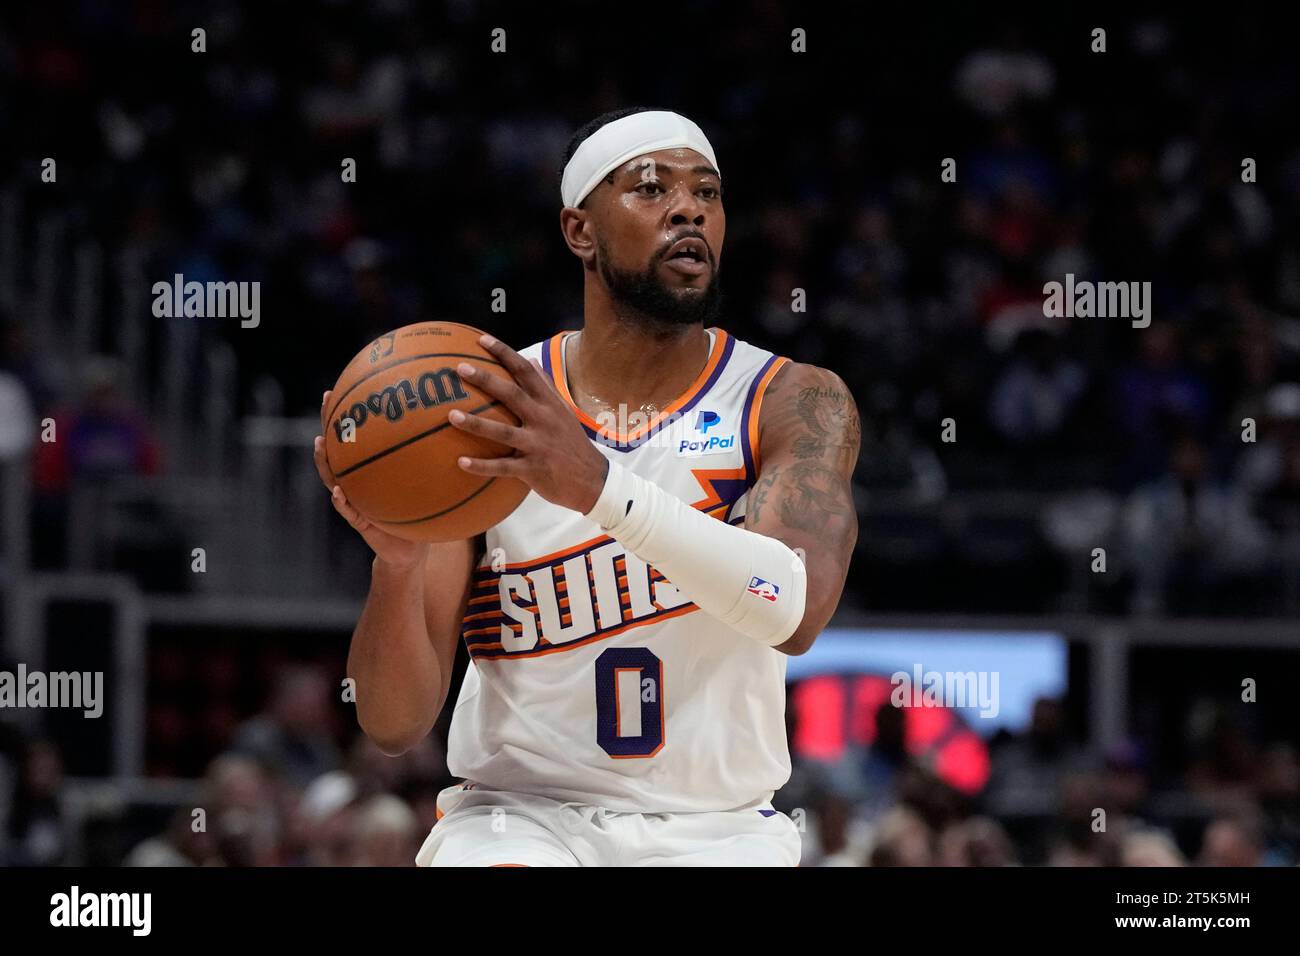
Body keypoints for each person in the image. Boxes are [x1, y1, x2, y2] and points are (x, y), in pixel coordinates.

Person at [313, 108, 860, 866]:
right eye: (649, 187)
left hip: (718, 827)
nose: (688, 207)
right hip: (518, 817)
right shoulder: (485, 409)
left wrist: (602, 489)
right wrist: (397, 568)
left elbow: (792, 611)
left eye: (707, 191)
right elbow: (392, 723)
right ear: (580, 231)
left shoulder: (791, 399)